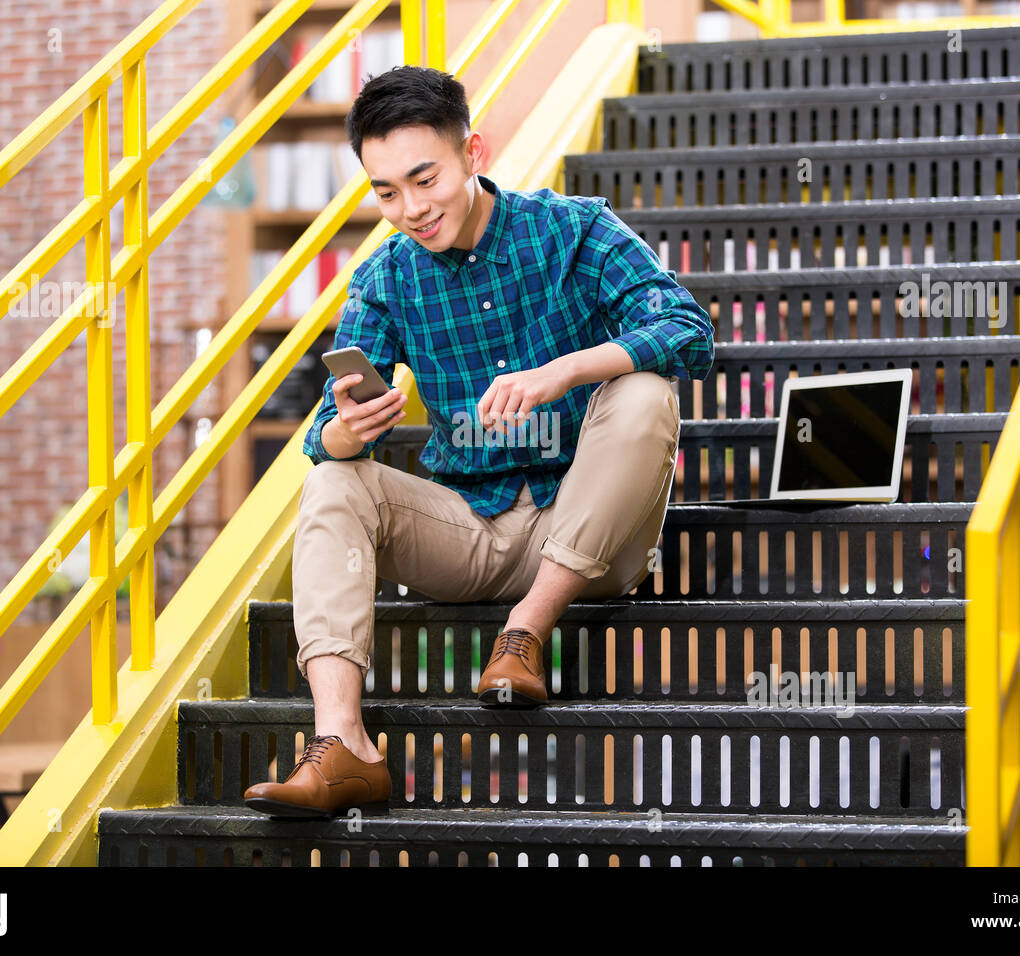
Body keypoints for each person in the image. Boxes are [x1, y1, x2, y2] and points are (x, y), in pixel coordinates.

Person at [242, 65, 714, 819]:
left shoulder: (574, 230)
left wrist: (564, 372)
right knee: (333, 479)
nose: (411, 208)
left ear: (474, 152)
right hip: (475, 530)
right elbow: (320, 441)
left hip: (592, 535)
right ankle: (342, 748)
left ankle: (525, 633)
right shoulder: (385, 276)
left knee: (643, 390)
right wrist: (344, 428)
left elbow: (688, 330)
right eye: (386, 192)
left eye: (424, 178)